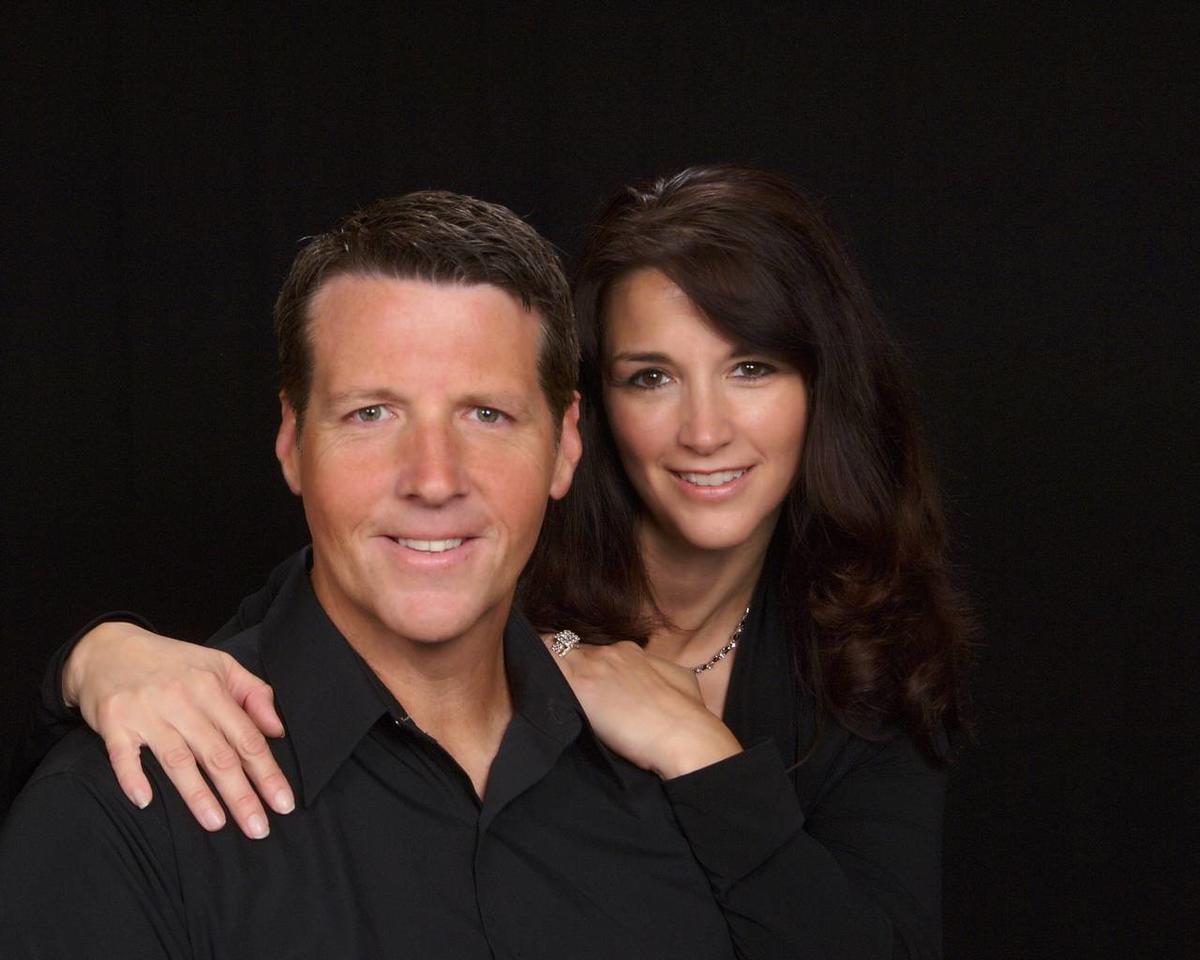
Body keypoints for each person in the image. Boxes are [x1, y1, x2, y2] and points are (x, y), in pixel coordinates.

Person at [8, 166, 973, 958]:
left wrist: (702, 759)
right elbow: (321, 619)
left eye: (751, 368)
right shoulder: (128, 811)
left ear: (560, 442)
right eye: (651, 376)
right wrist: (99, 656)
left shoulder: (836, 675)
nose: (705, 429)